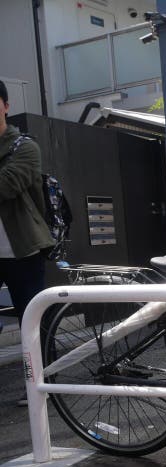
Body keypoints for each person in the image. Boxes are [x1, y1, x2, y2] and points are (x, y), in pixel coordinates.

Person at [0, 80, 54, 324]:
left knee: (33, 325)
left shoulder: (25, 147)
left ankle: (41, 364)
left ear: (6, 106)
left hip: (23, 252)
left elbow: (6, 185)